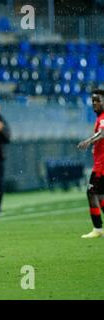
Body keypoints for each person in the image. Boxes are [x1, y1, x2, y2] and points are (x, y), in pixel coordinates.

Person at [77, 89, 104, 238]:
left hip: (102, 165)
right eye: (93, 101)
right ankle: (98, 228)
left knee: (91, 192)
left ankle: (98, 228)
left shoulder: (103, 118)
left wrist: (88, 141)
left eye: (98, 100)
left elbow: (103, 133)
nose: (95, 103)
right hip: (100, 163)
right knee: (99, 195)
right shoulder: (100, 117)